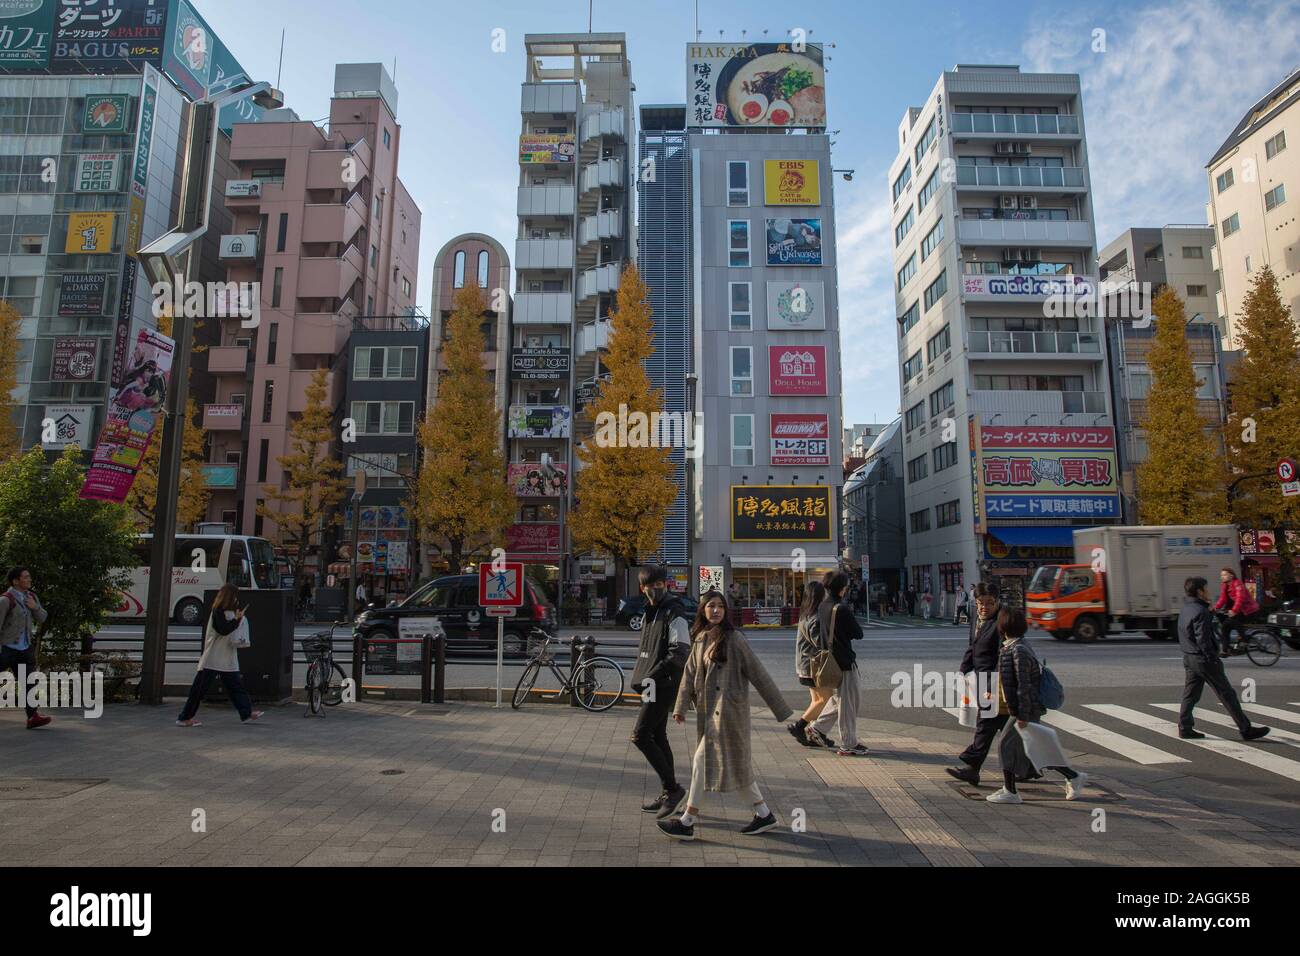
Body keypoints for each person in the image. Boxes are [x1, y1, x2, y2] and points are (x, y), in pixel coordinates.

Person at [659, 590, 792, 840]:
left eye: (721, 606)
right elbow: (688, 676)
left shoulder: (735, 639)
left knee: (701, 761)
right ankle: (764, 814)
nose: (716, 610)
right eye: (711, 606)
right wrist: (679, 707)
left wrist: (781, 709)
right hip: (709, 714)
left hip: (729, 714)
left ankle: (687, 820)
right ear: (703, 610)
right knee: (737, 767)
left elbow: (758, 673)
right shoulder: (699, 638)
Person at [985, 608, 1088, 804]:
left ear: (1004, 627)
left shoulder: (1018, 650)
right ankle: (1072, 776)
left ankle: (1011, 791)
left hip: (1026, 708)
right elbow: (1010, 680)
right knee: (1035, 749)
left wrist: (1021, 715)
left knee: (1006, 746)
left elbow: (1023, 686)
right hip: (1025, 707)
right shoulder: (1015, 646)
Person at [630, 565, 692, 819]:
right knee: (657, 734)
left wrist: (652, 675)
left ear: (665, 585)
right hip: (651, 683)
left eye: (659, 584)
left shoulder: (673, 611)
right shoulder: (649, 611)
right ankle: (669, 791)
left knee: (640, 736)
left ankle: (673, 789)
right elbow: (648, 648)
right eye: (650, 585)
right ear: (642, 588)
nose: (655, 589)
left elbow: (680, 651)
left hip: (664, 683)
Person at [1178, 576, 1269, 742]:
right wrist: (1212, 657)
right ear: (1199, 591)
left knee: (1190, 694)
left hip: (1189, 657)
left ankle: (1185, 727)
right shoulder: (1200, 611)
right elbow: (1203, 638)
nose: (1208, 592)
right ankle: (1246, 729)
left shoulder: (1187, 609)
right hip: (1204, 659)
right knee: (1227, 694)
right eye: (1206, 589)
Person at [947, 583, 1016, 786]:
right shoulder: (977, 618)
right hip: (981, 678)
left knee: (986, 725)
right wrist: (963, 668)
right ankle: (1030, 768)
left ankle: (972, 767)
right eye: (980, 603)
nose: (984, 607)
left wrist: (993, 686)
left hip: (997, 682)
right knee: (1009, 729)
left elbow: (1003, 656)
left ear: (997, 601)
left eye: (989, 603)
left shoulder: (1001, 621)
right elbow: (973, 645)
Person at [176, 585, 264, 726]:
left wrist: (236, 619)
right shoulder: (218, 612)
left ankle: (246, 713)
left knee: (235, 687)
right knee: (201, 689)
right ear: (230, 597)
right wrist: (237, 620)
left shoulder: (223, 612)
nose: (237, 599)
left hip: (224, 656)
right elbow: (224, 630)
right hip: (214, 656)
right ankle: (184, 717)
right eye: (235, 596)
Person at [810, 572, 868, 756]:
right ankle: (848, 743)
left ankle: (818, 728)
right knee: (849, 702)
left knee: (840, 699)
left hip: (830, 661)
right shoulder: (840, 609)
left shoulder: (822, 606)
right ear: (842, 588)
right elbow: (858, 633)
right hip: (844, 661)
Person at [1, 567, 51, 729]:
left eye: (29, 577)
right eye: (26, 577)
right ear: (15, 581)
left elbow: (43, 617)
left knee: (29, 682)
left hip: (25, 649)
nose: (29, 579)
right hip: (6, 649)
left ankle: (32, 717)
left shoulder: (31, 597)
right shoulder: (6, 600)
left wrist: (34, 606)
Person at [787, 581, 836, 748]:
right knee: (827, 699)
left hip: (805, 665)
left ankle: (815, 734)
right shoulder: (814, 618)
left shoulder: (806, 614)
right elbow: (820, 642)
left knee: (817, 701)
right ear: (820, 596)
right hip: (812, 666)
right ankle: (800, 727)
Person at [1213, 568, 1261, 655]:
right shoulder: (1225, 585)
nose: (1222, 577)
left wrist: (1234, 610)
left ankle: (1244, 639)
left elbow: (1240, 599)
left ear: (1231, 576)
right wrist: (1215, 608)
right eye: (1221, 575)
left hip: (1249, 610)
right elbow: (1222, 599)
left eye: (1224, 575)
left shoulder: (1238, 585)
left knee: (1230, 623)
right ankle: (1226, 649)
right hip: (1240, 611)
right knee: (1225, 626)